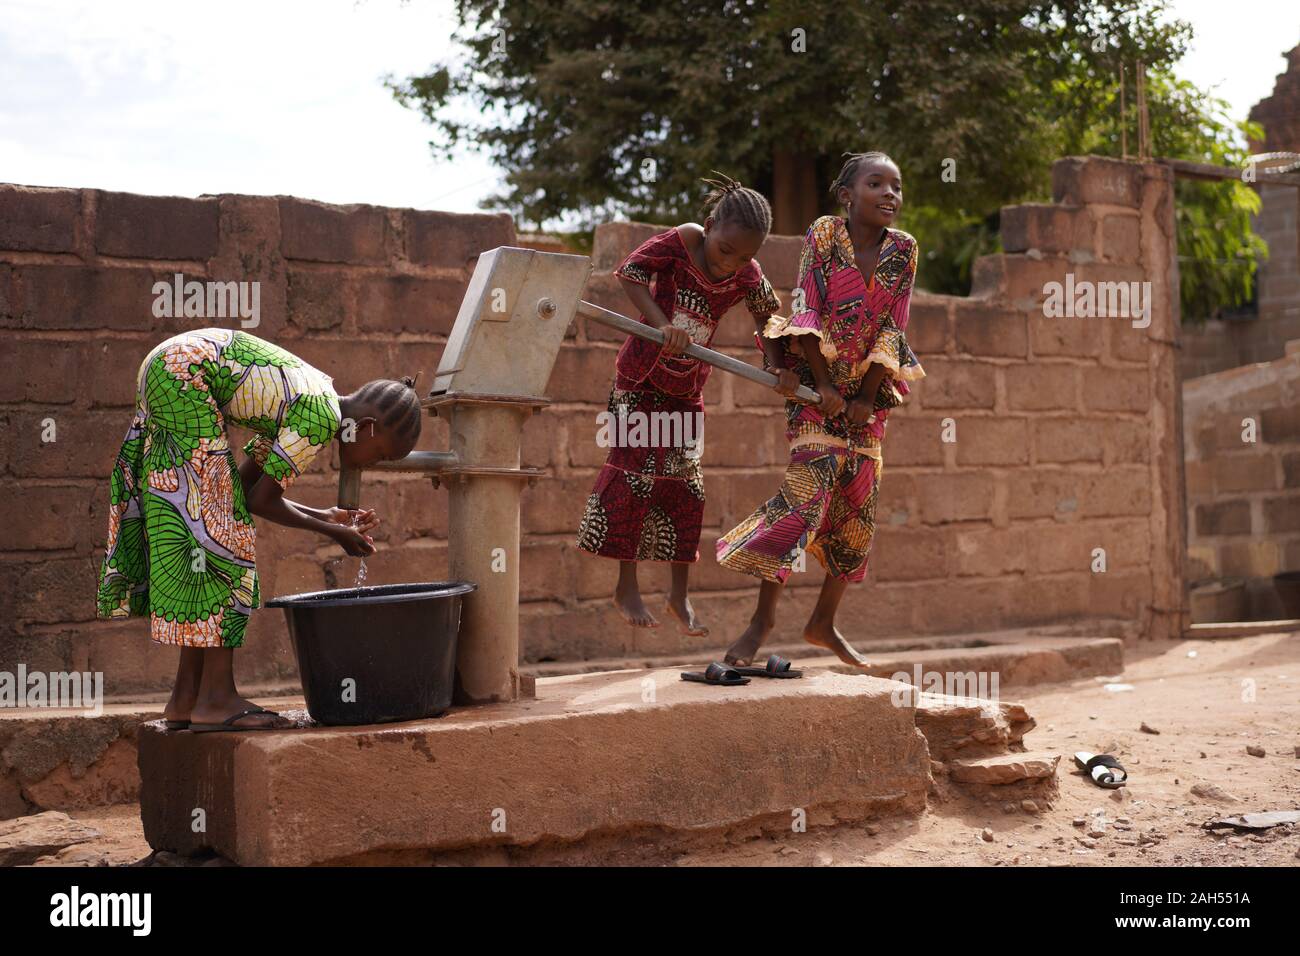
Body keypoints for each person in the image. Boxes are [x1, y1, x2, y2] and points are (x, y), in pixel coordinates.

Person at [95, 327, 422, 731]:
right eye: (381, 454)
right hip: (183, 372)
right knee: (222, 535)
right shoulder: (322, 417)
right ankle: (216, 699)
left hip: (170, 366)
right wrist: (335, 534)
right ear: (368, 428)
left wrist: (326, 515)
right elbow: (260, 502)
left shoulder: (311, 394)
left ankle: (185, 698)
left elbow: (248, 490)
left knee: (209, 526)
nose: (371, 464)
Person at [717, 151, 925, 668]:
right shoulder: (825, 234)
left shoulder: (905, 250)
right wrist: (829, 387)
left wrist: (862, 396)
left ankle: (823, 622)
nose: (889, 195)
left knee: (858, 507)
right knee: (808, 496)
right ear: (847, 195)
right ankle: (762, 622)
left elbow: (893, 327)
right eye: (876, 184)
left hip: (868, 396)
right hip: (815, 385)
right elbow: (807, 303)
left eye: (896, 187)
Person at [576, 172, 792, 635]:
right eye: (725, 251)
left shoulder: (748, 273)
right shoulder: (681, 242)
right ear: (710, 225)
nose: (731, 265)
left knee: (686, 486)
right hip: (639, 378)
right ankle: (626, 586)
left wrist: (774, 363)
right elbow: (629, 273)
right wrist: (661, 324)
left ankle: (678, 593)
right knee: (633, 476)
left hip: (686, 388)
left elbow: (766, 316)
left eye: (745, 257)